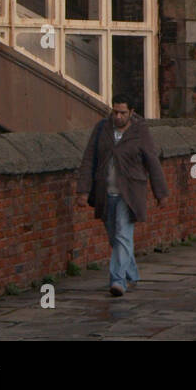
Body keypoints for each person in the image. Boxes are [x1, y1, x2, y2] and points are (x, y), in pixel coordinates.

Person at [75, 98, 168, 297]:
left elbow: (152, 162)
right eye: (115, 112)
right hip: (105, 193)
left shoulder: (140, 132)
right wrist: (83, 191)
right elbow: (89, 159)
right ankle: (131, 274)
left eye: (122, 113)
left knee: (123, 235)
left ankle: (117, 281)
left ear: (131, 112)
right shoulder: (102, 129)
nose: (118, 116)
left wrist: (160, 193)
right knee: (115, 238)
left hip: (130, 193)